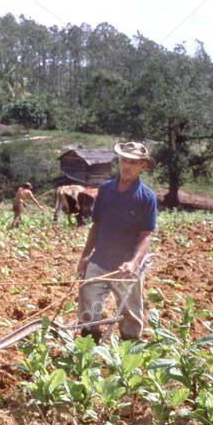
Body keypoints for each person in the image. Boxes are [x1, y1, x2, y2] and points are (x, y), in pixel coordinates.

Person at [75, 142, 157, 341]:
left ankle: (129, 354)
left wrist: (134, 262)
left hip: (125, 268)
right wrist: (86, 256)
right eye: (124, 160)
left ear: (142, 166)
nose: (127, 166)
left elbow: (146, 234)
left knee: (130, 315)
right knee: (87, 306)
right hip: (99, 261)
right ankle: (88, 351)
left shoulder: (146, 197)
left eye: (133, 162)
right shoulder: (105, 189)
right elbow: (96, 225)